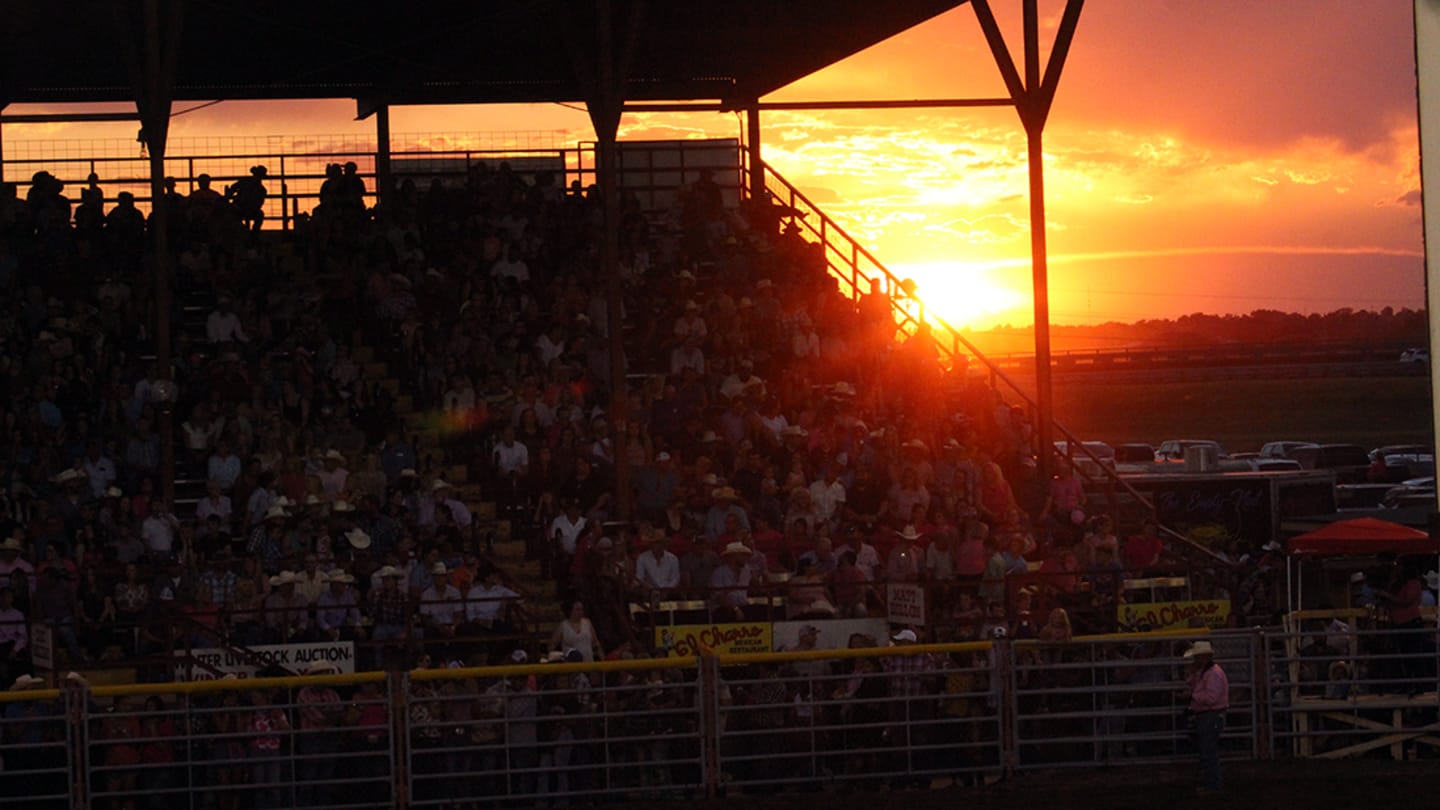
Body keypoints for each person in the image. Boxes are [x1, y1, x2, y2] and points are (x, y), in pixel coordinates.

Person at [1184, 640, 1229, 794]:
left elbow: (1211, 698)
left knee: (1208, 751)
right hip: (1209, 715)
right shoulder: (1208, 672)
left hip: (1210, 714)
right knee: (1208, 751)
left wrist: (1193, 695)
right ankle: (1212, 785)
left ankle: (1214, 786)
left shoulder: (1212, 673)